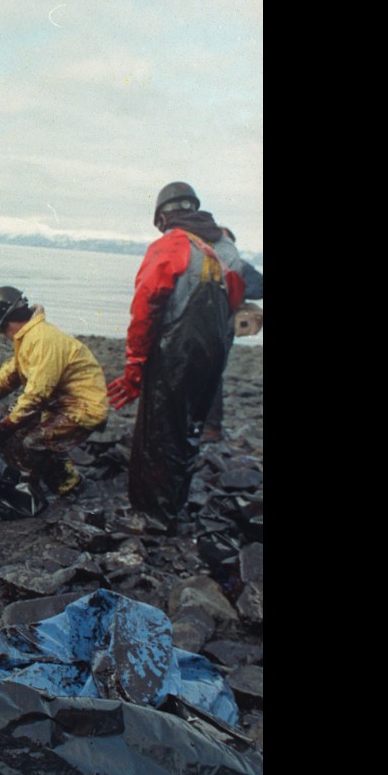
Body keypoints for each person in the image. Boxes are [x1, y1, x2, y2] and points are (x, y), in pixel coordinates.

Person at [105, 182, 234, 524]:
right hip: (213, 354)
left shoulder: (172, 245)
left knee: (160, 430)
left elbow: (145, 308)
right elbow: (232, 303)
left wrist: (134, 369)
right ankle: (172, 503)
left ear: (163, 216)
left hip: (177, 354)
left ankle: (155, 516)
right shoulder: (216, 252)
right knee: (187, 430)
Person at [0, 286, 109, 497]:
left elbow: (36, 396)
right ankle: (65, 478)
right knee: (15, 424)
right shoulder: (29, 338)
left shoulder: (43, 340)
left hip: (84, 408)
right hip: (61, 404)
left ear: (11, 321)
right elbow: (8, 375)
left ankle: (34, 490)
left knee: (32, 442)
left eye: (2, 328)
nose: (2, 334)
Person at [200, 226, 263, 443]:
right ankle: (203, 423)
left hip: (222, 329)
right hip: (204, 327)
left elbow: (259, 287)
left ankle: (212, 428)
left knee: (212, 376)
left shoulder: (241, 266)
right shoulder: (204, 261)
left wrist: (234, 288)